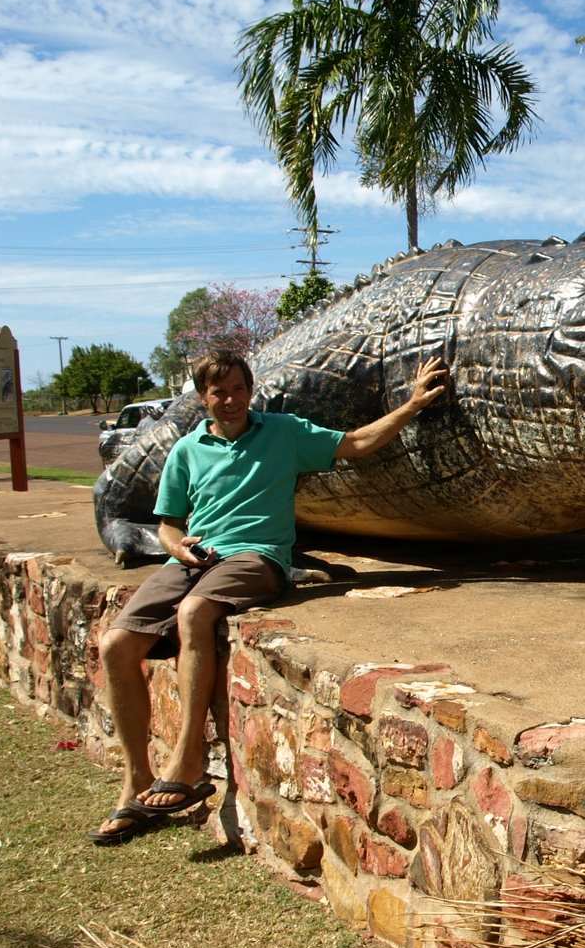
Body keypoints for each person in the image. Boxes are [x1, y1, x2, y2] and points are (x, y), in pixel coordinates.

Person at [89, 348, 448, 846]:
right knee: (115, 646)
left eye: (239, 389)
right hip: (193, 559)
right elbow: (168, 525)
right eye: (219, 392)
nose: (230, 400)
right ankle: (135, 783)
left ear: (249, 390)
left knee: (195, 613)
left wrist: (411, 405)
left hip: (257, 558)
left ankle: (188, 758)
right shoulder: (187, 450)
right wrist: (178, 546)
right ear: (202, 397)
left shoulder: (283, 432)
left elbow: (358, 443)